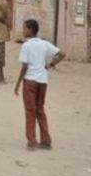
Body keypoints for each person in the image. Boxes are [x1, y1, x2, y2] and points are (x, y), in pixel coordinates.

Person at [14, 19, 65, 150]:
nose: (23, 31)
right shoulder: (44, 44)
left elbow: (24, 66)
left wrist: (18, 82)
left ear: (30, 30)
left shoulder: (26, 46)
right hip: (42, 80)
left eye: (24, 28)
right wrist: (51, 64)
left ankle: (32, 141)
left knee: (30, 111)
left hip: (30, 81)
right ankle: (46, 140)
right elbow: (62, 54)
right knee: (40, 110)